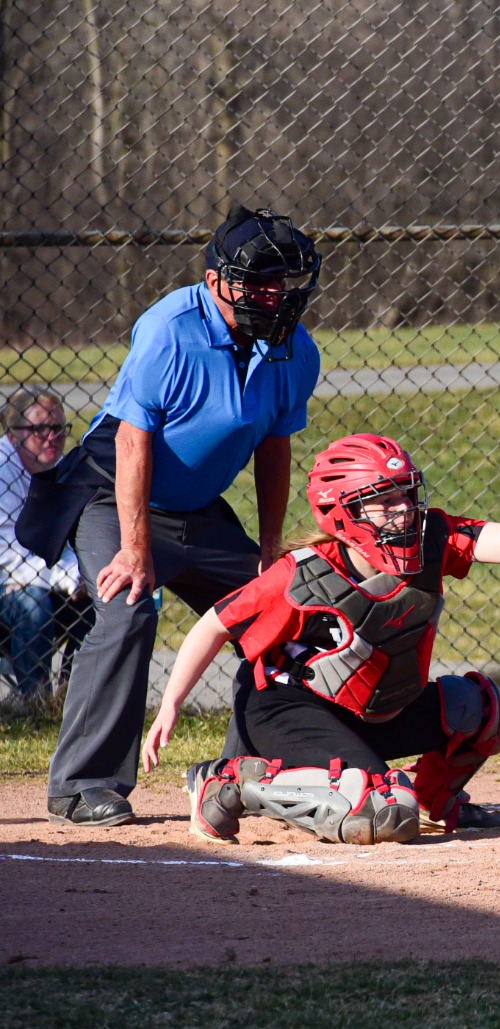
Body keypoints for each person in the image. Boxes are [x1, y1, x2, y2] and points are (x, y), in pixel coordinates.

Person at [145, 434, 500, 844]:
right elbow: (215, 623)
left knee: (480, 709)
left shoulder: (428, 541)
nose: (403, 508)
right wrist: (171, 705)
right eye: (383, 500)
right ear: (341, 512)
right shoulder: (303, 574)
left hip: (375, 709)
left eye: (405, 493)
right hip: (288, 712)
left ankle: (434, 803)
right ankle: (228, 781)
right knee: (382, 808)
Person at [34, 205, 321, 828]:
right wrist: (135, 548)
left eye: (286, 282)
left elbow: (275, 445)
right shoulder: (170, 327)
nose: (276, 295)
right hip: (116, 496)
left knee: (281, 616)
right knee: (130, 604)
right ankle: (82, 785)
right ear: (217, 280)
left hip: (199, 513)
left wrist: (271, 548)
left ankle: (249, 775)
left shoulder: (293, 349)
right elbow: (134, 441)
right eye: (261, 282)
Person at [0, 388, 81, 706]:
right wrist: (69, 577)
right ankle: (34, 704)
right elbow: (6, 551)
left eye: (59, 428)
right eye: (38, 429)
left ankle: (75, 700)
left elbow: (72, 537)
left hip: (42, 575)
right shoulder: (2, 468)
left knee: (102, 598)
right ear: (13, 434)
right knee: (33, 603)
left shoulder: (65, 470)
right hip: (6, 581)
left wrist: (83, 576)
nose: (52, 437)